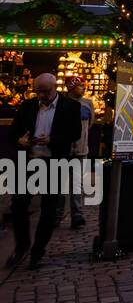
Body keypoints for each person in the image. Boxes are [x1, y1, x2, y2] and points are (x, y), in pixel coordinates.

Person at [5, 74, 83, 269]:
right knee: (19, 203)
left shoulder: (70, 106)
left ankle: (37, 251)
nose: (41, 95)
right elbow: (13, 132)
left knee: (49, 209)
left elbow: (75, 133)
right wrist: (20, 141)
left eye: (45, 92)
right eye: (38, 91)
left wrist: (52, 140)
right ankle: (22, 245)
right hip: (31, 161)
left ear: (55, 88)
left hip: (55, 161)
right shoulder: (27, 106)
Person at [61, 76, 94, 230]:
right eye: (80, 85)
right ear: (72, 87)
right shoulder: (62, 104)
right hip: (63, 150)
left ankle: (77, 214)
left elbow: (90, 124)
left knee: (77, 183)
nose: (84, 88)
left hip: (81, 149)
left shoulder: (88, 104)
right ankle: (57, 213)